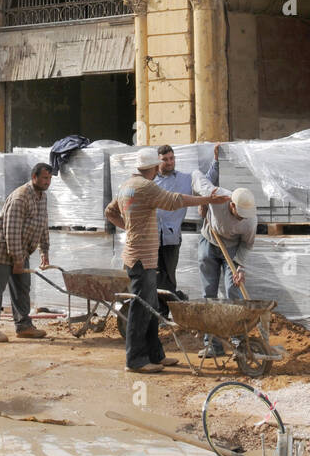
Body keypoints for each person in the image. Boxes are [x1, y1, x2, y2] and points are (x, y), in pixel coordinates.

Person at [105, 149, 229, 373]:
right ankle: (135, 360)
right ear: (154, 167)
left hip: (139, 256)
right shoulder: (147, 186)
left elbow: (110, 212)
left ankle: (155, 355)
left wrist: (130, 228)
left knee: (150, 306)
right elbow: (175, 201)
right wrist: (208, 199)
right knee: (141, 308)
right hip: (142, 258)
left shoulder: (127, 186)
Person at [191, 149, 257, 358]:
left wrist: (240, 268)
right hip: (210, 240)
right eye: (239, 214)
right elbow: (196, 176)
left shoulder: (250, 220)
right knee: (209, 293)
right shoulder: (218, 196)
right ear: (231, 205)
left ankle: (238, 341)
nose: (241, 219)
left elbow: (247, 245)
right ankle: (212, 344)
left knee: (233, 291)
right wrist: (201, 201)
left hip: (232, 249)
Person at [0, 163, 53, 342]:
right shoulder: (21, 197)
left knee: (22, 287)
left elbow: (43, 224)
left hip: (22, 249)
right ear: (34, 177)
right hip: (3, 249)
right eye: (44, 178)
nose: (47, 182)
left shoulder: (42, 197)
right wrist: (18, 259)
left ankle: (23, 325)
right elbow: (11, 230)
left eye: (49, 179)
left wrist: (44, 250)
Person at [154, 143, 218, 309]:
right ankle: (157, 310)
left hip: (171, 237)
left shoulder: (183, 179)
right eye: (165, 159)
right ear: (157, 161)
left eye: (171, 158)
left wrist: (216, 161)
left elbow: (206, 183)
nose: (169, 162)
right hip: (150, 238)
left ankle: (165, 312)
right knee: (152, 277)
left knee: (168, 277)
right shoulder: (150, 181)